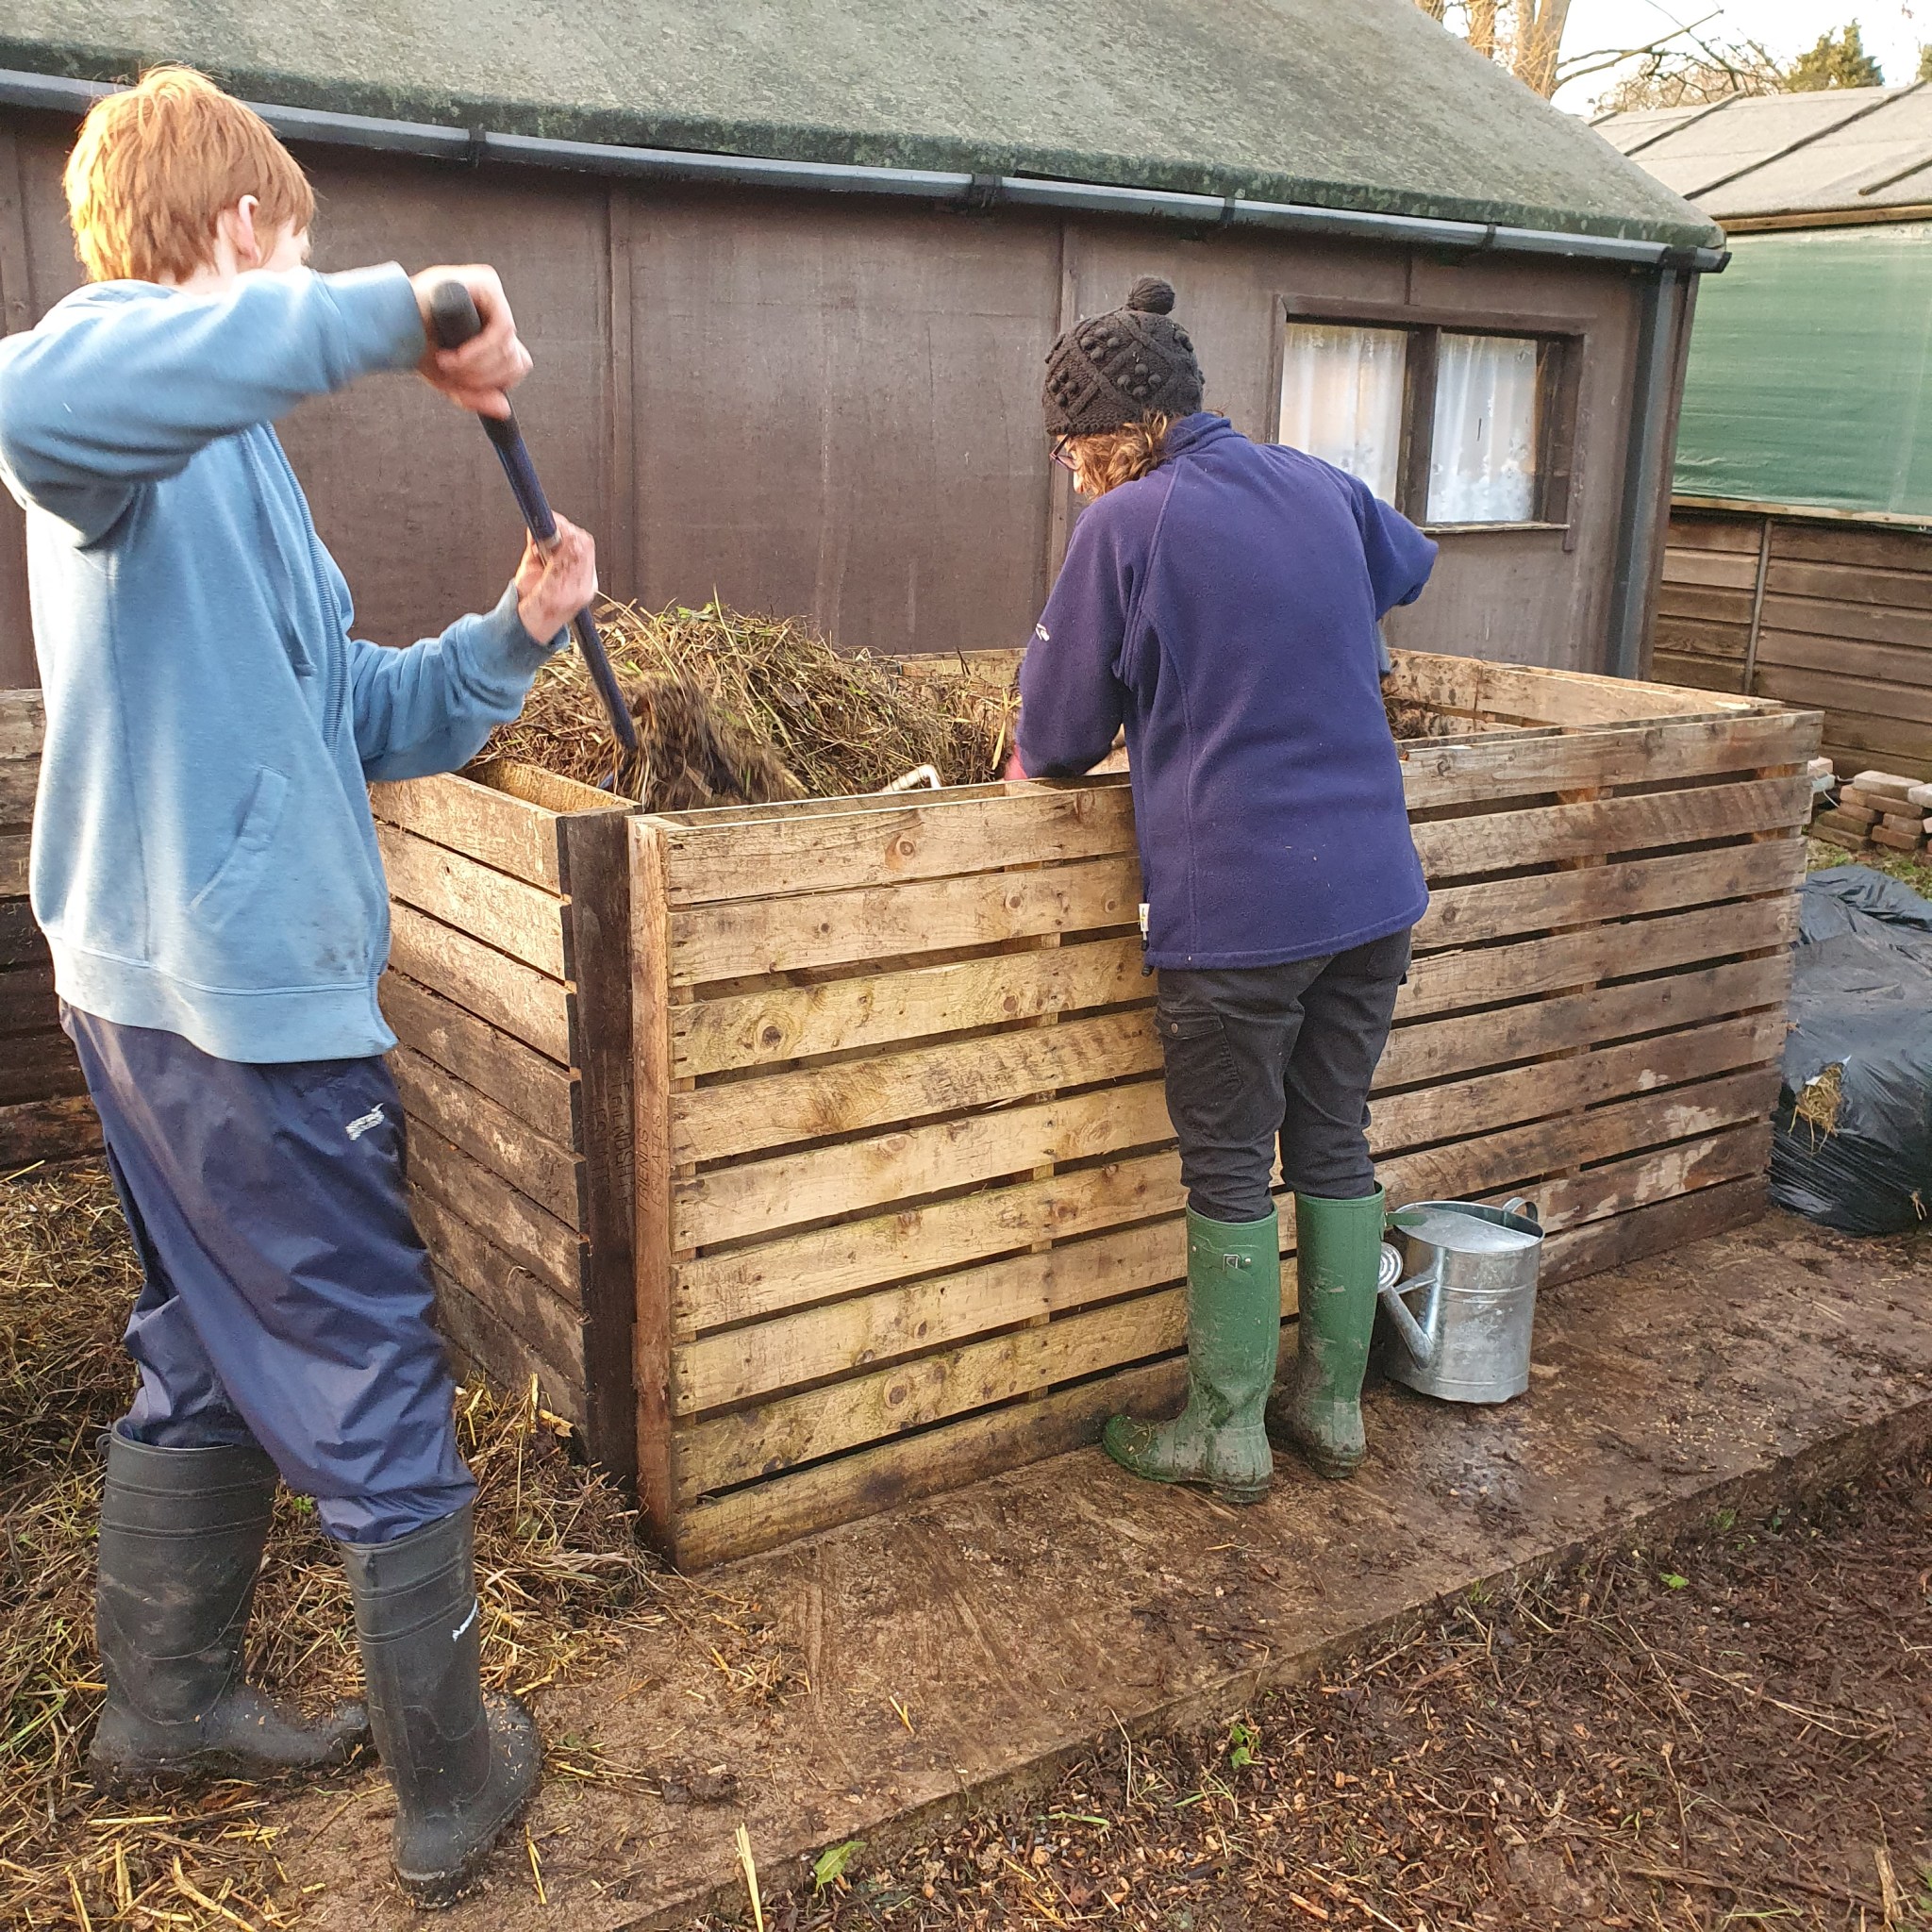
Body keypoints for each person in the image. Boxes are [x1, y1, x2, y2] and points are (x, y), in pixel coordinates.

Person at [0, 68, 594, 1906]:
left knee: (206, 1336)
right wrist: (404, 310)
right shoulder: (107, 399)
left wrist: (513, 636)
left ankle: (165, 1702)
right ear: (241, 229)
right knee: (368, 1357)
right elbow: (30, 392)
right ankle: (450, 1778)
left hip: (160, 988)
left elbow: (339, 707)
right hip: (238, 1007)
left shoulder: (230, 466)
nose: (310, 263)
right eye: (298, 240)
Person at [1016, 276, 1435, 1506]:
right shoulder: (1319, 483)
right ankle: (1336, 1410)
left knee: (1228, 1164)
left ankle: (1226, 1427)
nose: (1068, 474)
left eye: (1067, 449)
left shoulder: (1127, 527)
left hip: (1242, 905)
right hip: (1372, 889)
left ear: (1108, 437)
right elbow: (1407, 564)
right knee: (1336, 1136)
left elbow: (1052, 735)